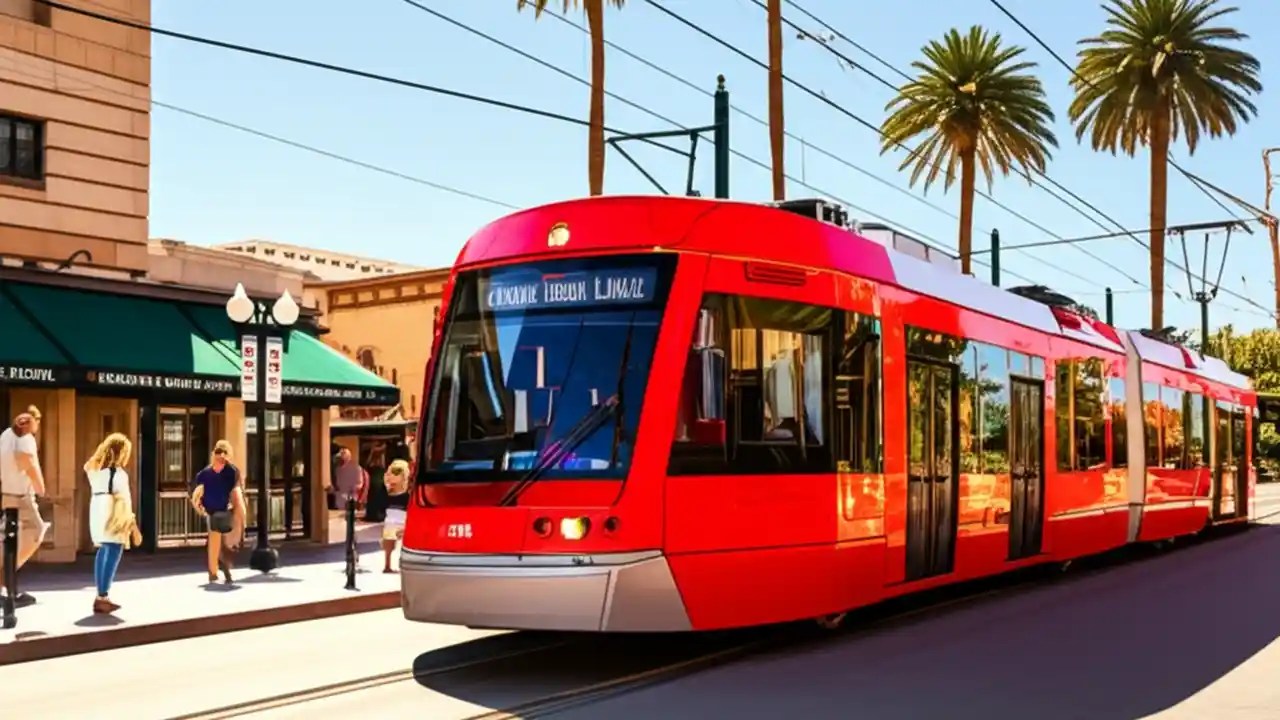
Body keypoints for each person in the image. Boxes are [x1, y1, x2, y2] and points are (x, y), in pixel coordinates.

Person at [0, 407, 49, 609]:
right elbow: (26, 460)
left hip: (7, 494)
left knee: (9, 541)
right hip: (22, 497)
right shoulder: (26, 438)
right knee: (36, 531)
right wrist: (40, 487)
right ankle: (6, 579)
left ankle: (8, 586)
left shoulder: (4, 435)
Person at [85, 433, 137, 614]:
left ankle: (101, 594)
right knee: (114, 550)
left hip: (97, 509)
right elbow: (125, 498)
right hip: (113, 512)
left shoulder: (94, 470)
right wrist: (131, 522)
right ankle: (102, 596)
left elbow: (90, 466)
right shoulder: (120, 474)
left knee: (103, 550)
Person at [190, 440, 245, 584]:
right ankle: (214, 571)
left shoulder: (232, 472)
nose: (220, 456)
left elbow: (237, 492)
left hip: (226, 511)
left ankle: (223, 567)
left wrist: (239, 512)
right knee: (215, 542)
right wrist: (199, 506)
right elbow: (196, 491)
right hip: (212, 512)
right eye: (218, 453)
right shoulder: (205, 473)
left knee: (224, 542)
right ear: (213, 454)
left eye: (223, 453)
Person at [380, 459, 410, 574]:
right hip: (402, 517)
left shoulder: (387, 490)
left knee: (389, 544)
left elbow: (382, 503)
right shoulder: (407, 490)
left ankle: (387, 565)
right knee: (404, 544)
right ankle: (401, 565)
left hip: (391, 517)